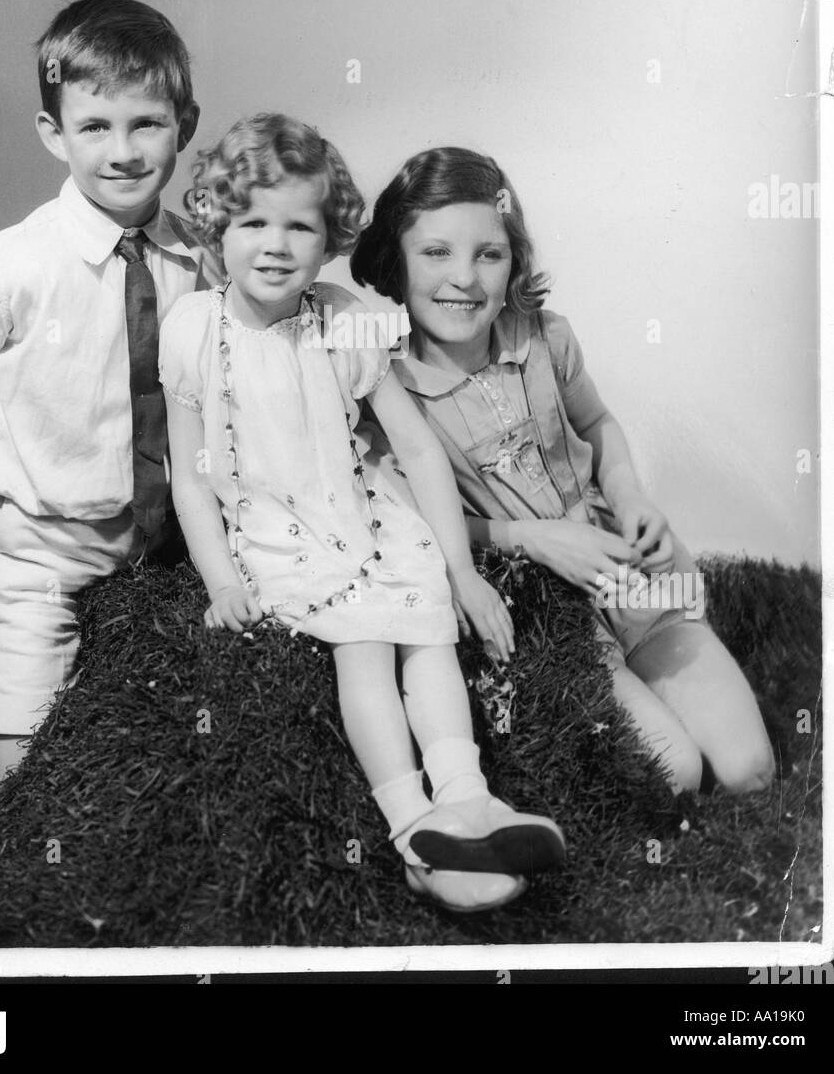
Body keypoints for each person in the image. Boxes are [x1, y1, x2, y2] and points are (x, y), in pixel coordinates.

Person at [159, 114, 566, 913]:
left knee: (428, 629)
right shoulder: (193, 332)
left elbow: (415, 451)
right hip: (280, 534)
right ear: (217, 227)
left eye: (299, 226)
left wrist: (461, 574)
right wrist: (218, 579)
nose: (275, 245)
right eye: (252, 223)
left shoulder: (344, 319)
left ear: (329, 238)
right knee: (367, 646)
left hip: (362, 507)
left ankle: (468, 796)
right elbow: (190, 481)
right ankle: (411, 819)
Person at [351, 147, 775, 795]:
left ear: (513, 258)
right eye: (436, 252)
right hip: (543, 610)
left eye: (488, 254)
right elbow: (418, 524)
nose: (464, 278)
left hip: (625, 569)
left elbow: (600, 425)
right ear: (395, 259)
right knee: (677, 774)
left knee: (750, 769)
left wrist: (631, 494)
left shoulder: (546, 338)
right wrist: (537, 538)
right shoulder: (387, 388)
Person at [0, 0, 217, 801]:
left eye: (146, 123)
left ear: (184, 122)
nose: (122, 151)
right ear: (54, 134)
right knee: (20, 787)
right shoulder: (17, 267)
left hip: (160, 540)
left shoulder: (196, 259)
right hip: (41, 550)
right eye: (94, 126)